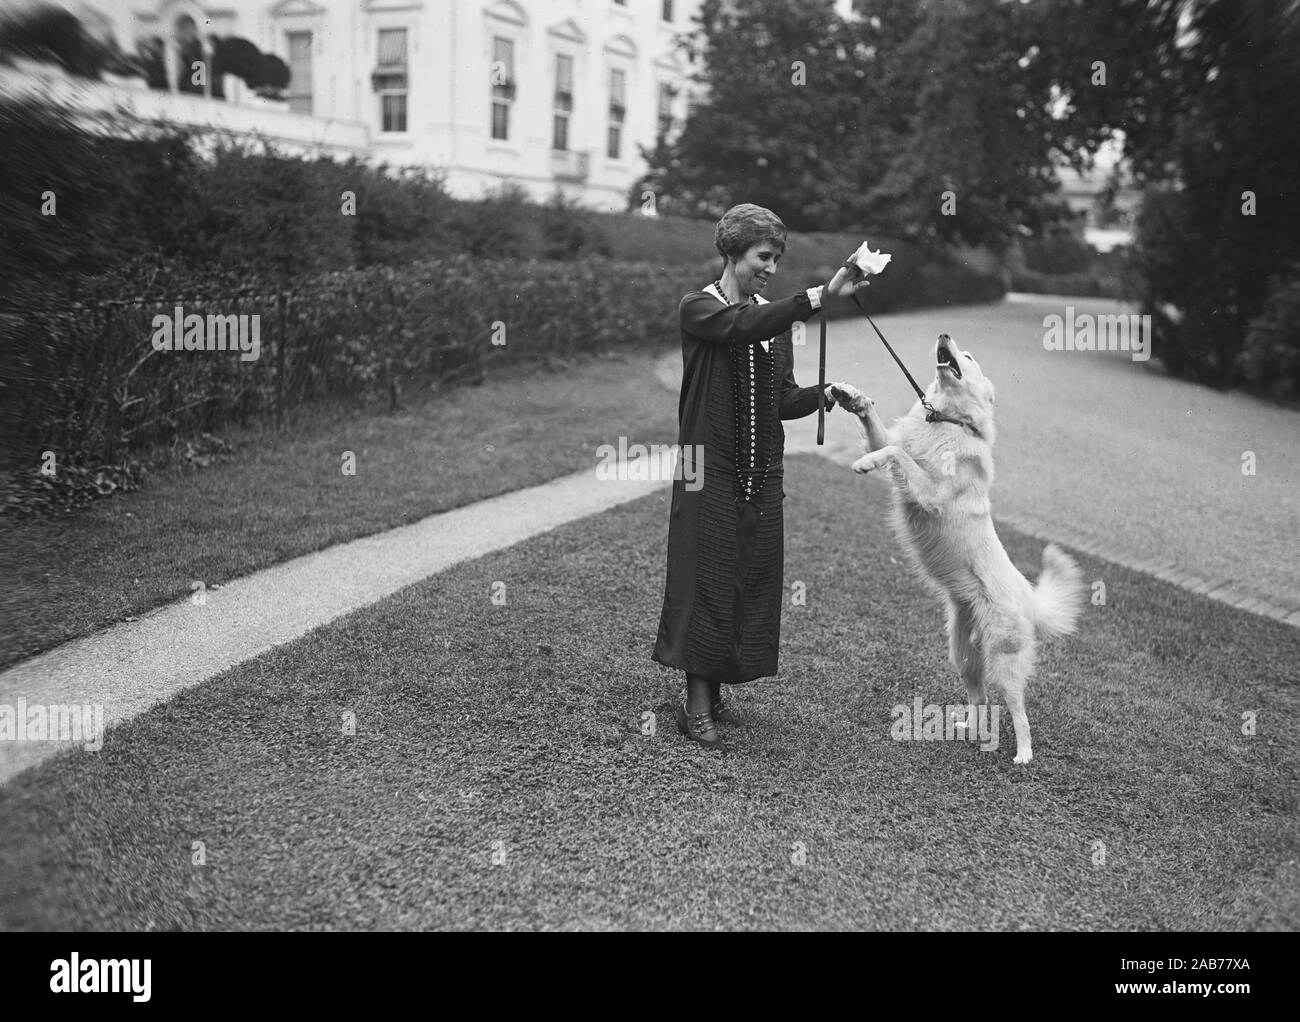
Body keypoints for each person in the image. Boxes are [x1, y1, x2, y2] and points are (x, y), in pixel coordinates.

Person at [651, 203, 871, 750]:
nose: (770, 267)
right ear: (732, 253)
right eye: (762, 256)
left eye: (776, 258)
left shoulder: (773, 324)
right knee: (706, 578)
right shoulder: (700, 308)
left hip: (760, 474)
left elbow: (781, 399)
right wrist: (817, 297)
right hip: (711, 470)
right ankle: (695, 708)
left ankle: (717, 691)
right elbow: (737, 326)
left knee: (748, 579)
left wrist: (824, 395)